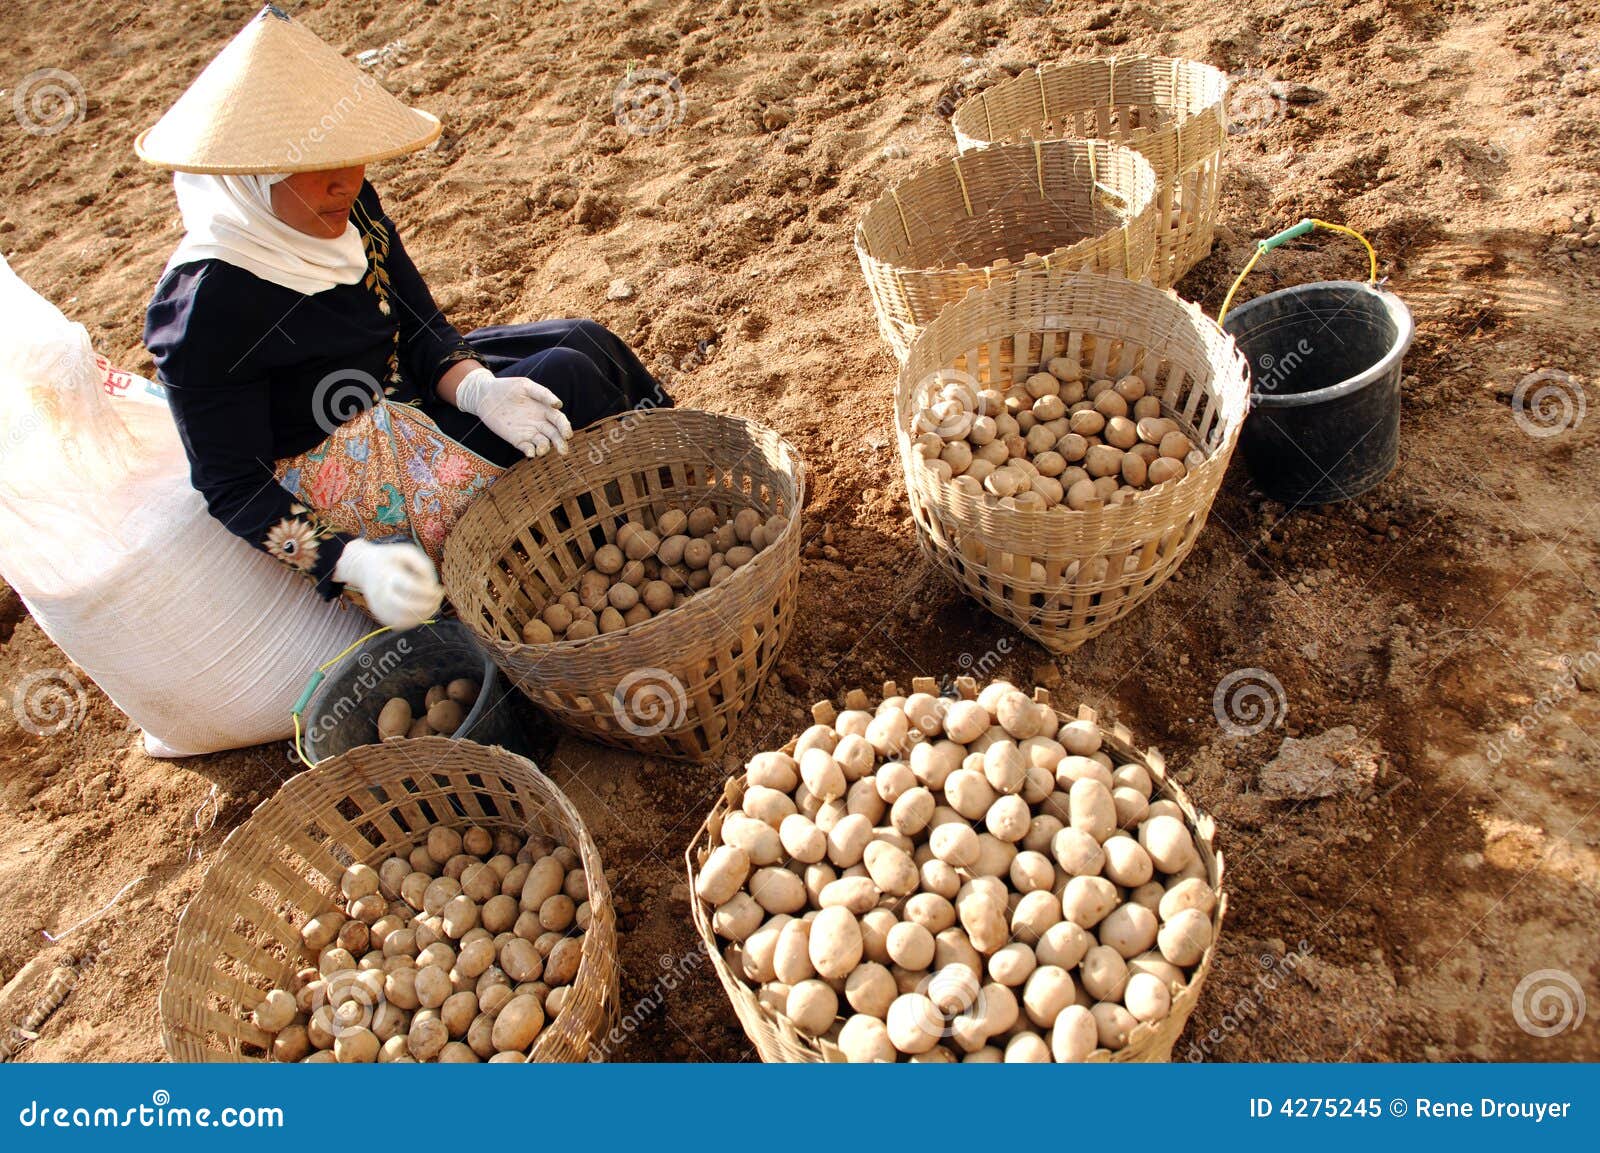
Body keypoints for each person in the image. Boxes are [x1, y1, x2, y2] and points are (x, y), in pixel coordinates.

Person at [138, 6, 665, 628]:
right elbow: (232, 485)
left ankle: (668, 493)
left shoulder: (348, 202)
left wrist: (477, 390)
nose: (346, 185)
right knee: (568, 378)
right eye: (316, 172)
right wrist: (350, 561)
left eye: (352, 160)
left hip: (404, 387)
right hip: (343, 462)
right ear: (248, 179)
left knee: (586, 341)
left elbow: (414, 321)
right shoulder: (207, 309)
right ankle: (624, 539)